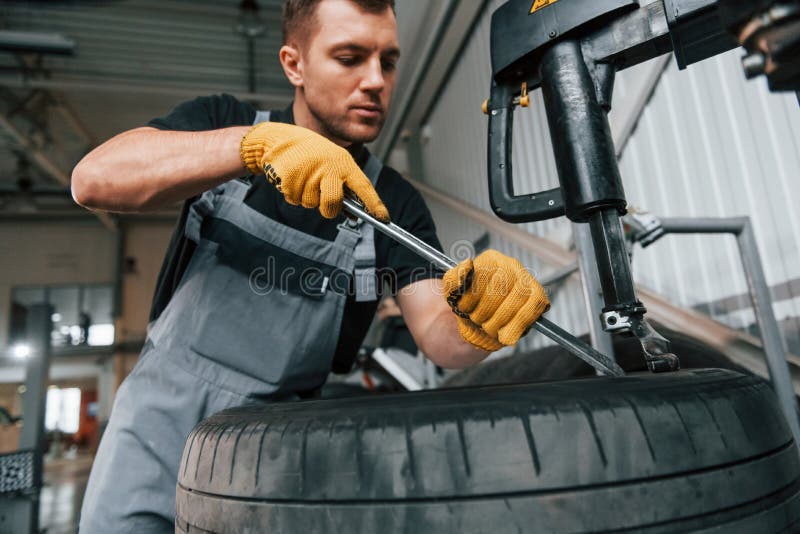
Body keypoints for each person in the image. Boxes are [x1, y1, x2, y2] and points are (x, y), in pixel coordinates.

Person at [71, 0, 550, 531]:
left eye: (388, 62)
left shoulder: (390, 200)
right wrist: (255, 147)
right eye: (350, 58)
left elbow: (437, 331)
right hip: (156, 426)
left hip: (275, 450)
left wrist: (478, 320)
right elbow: (93, 179)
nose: (375, 81)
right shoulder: (224, 125)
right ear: (293, 64)